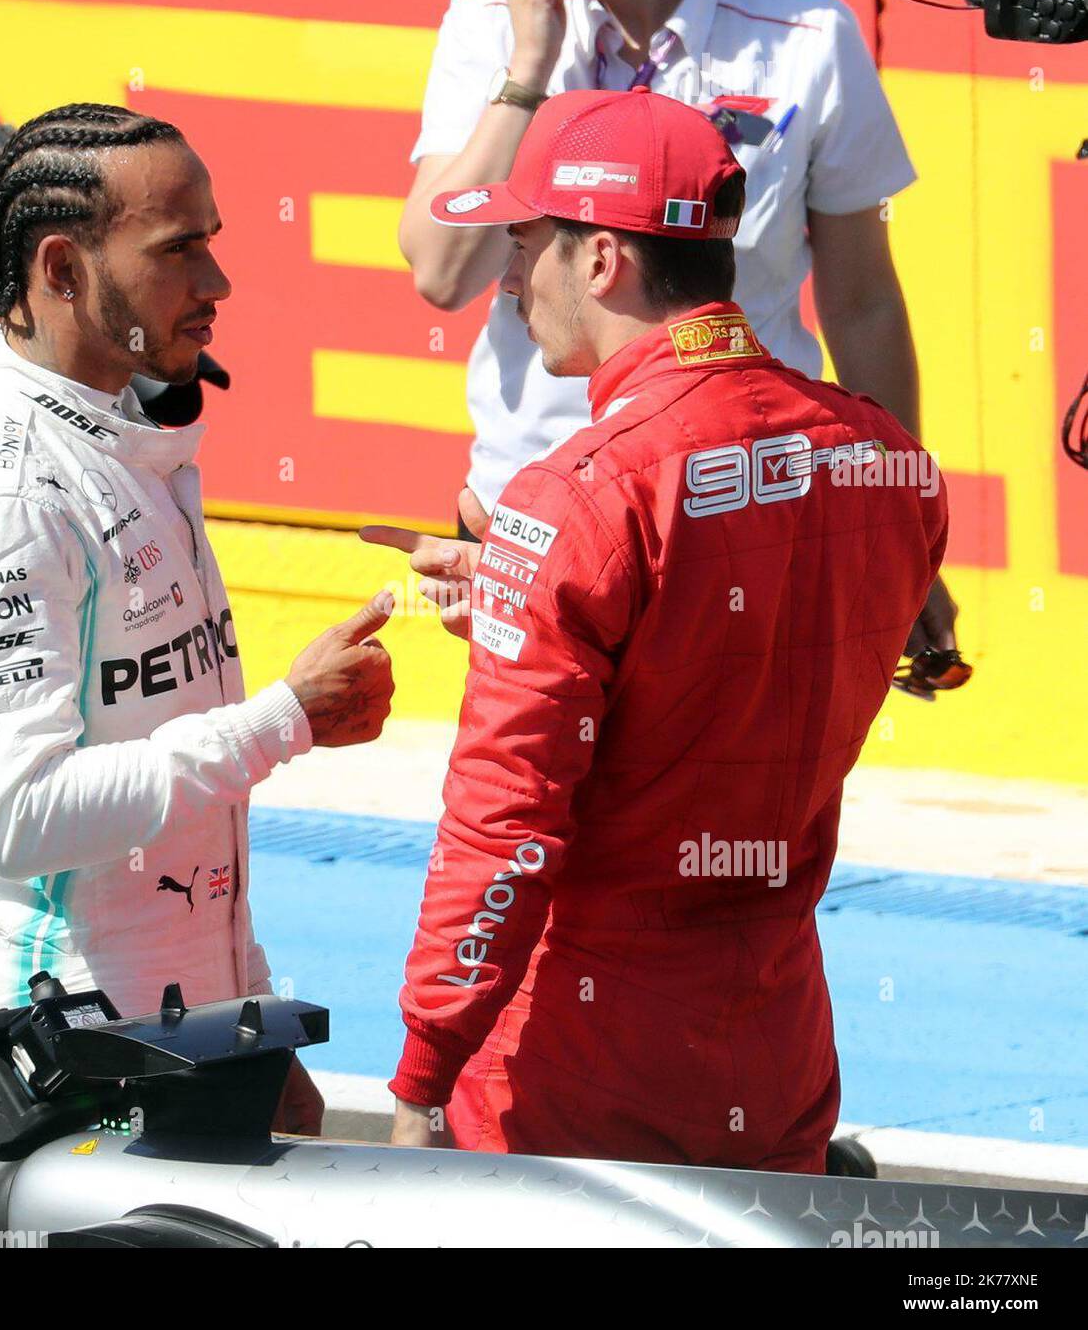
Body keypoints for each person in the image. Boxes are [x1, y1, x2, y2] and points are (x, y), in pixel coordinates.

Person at [368, 86, 947, 1169]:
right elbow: (729, 643)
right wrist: (526, 595)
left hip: (572, 1065)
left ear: (599, 262)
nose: (505, 274)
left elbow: (504, 825)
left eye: (523, 239)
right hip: (773, 1051)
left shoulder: (578, 497)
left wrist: (423, 1065)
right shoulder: (884, 460)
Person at [0, 105, 395, 1134]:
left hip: (178, 1036)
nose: (217, 282)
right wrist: (285, 717)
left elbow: (174, 806)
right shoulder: (0, 496)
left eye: (213, 242)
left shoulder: (123, 440)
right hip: (60, 1066)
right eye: (179, 249)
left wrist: (250, 1006)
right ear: (63, 270)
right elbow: (19, 817)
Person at [401, 0, 957, 658]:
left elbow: (864, 303)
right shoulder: (492, 22)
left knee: (751, 767)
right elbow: (444, 272)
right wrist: (528, 72)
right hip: (538, 507)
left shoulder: (809, 35)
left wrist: (898, 523)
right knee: (531, 761)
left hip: (744, 507)